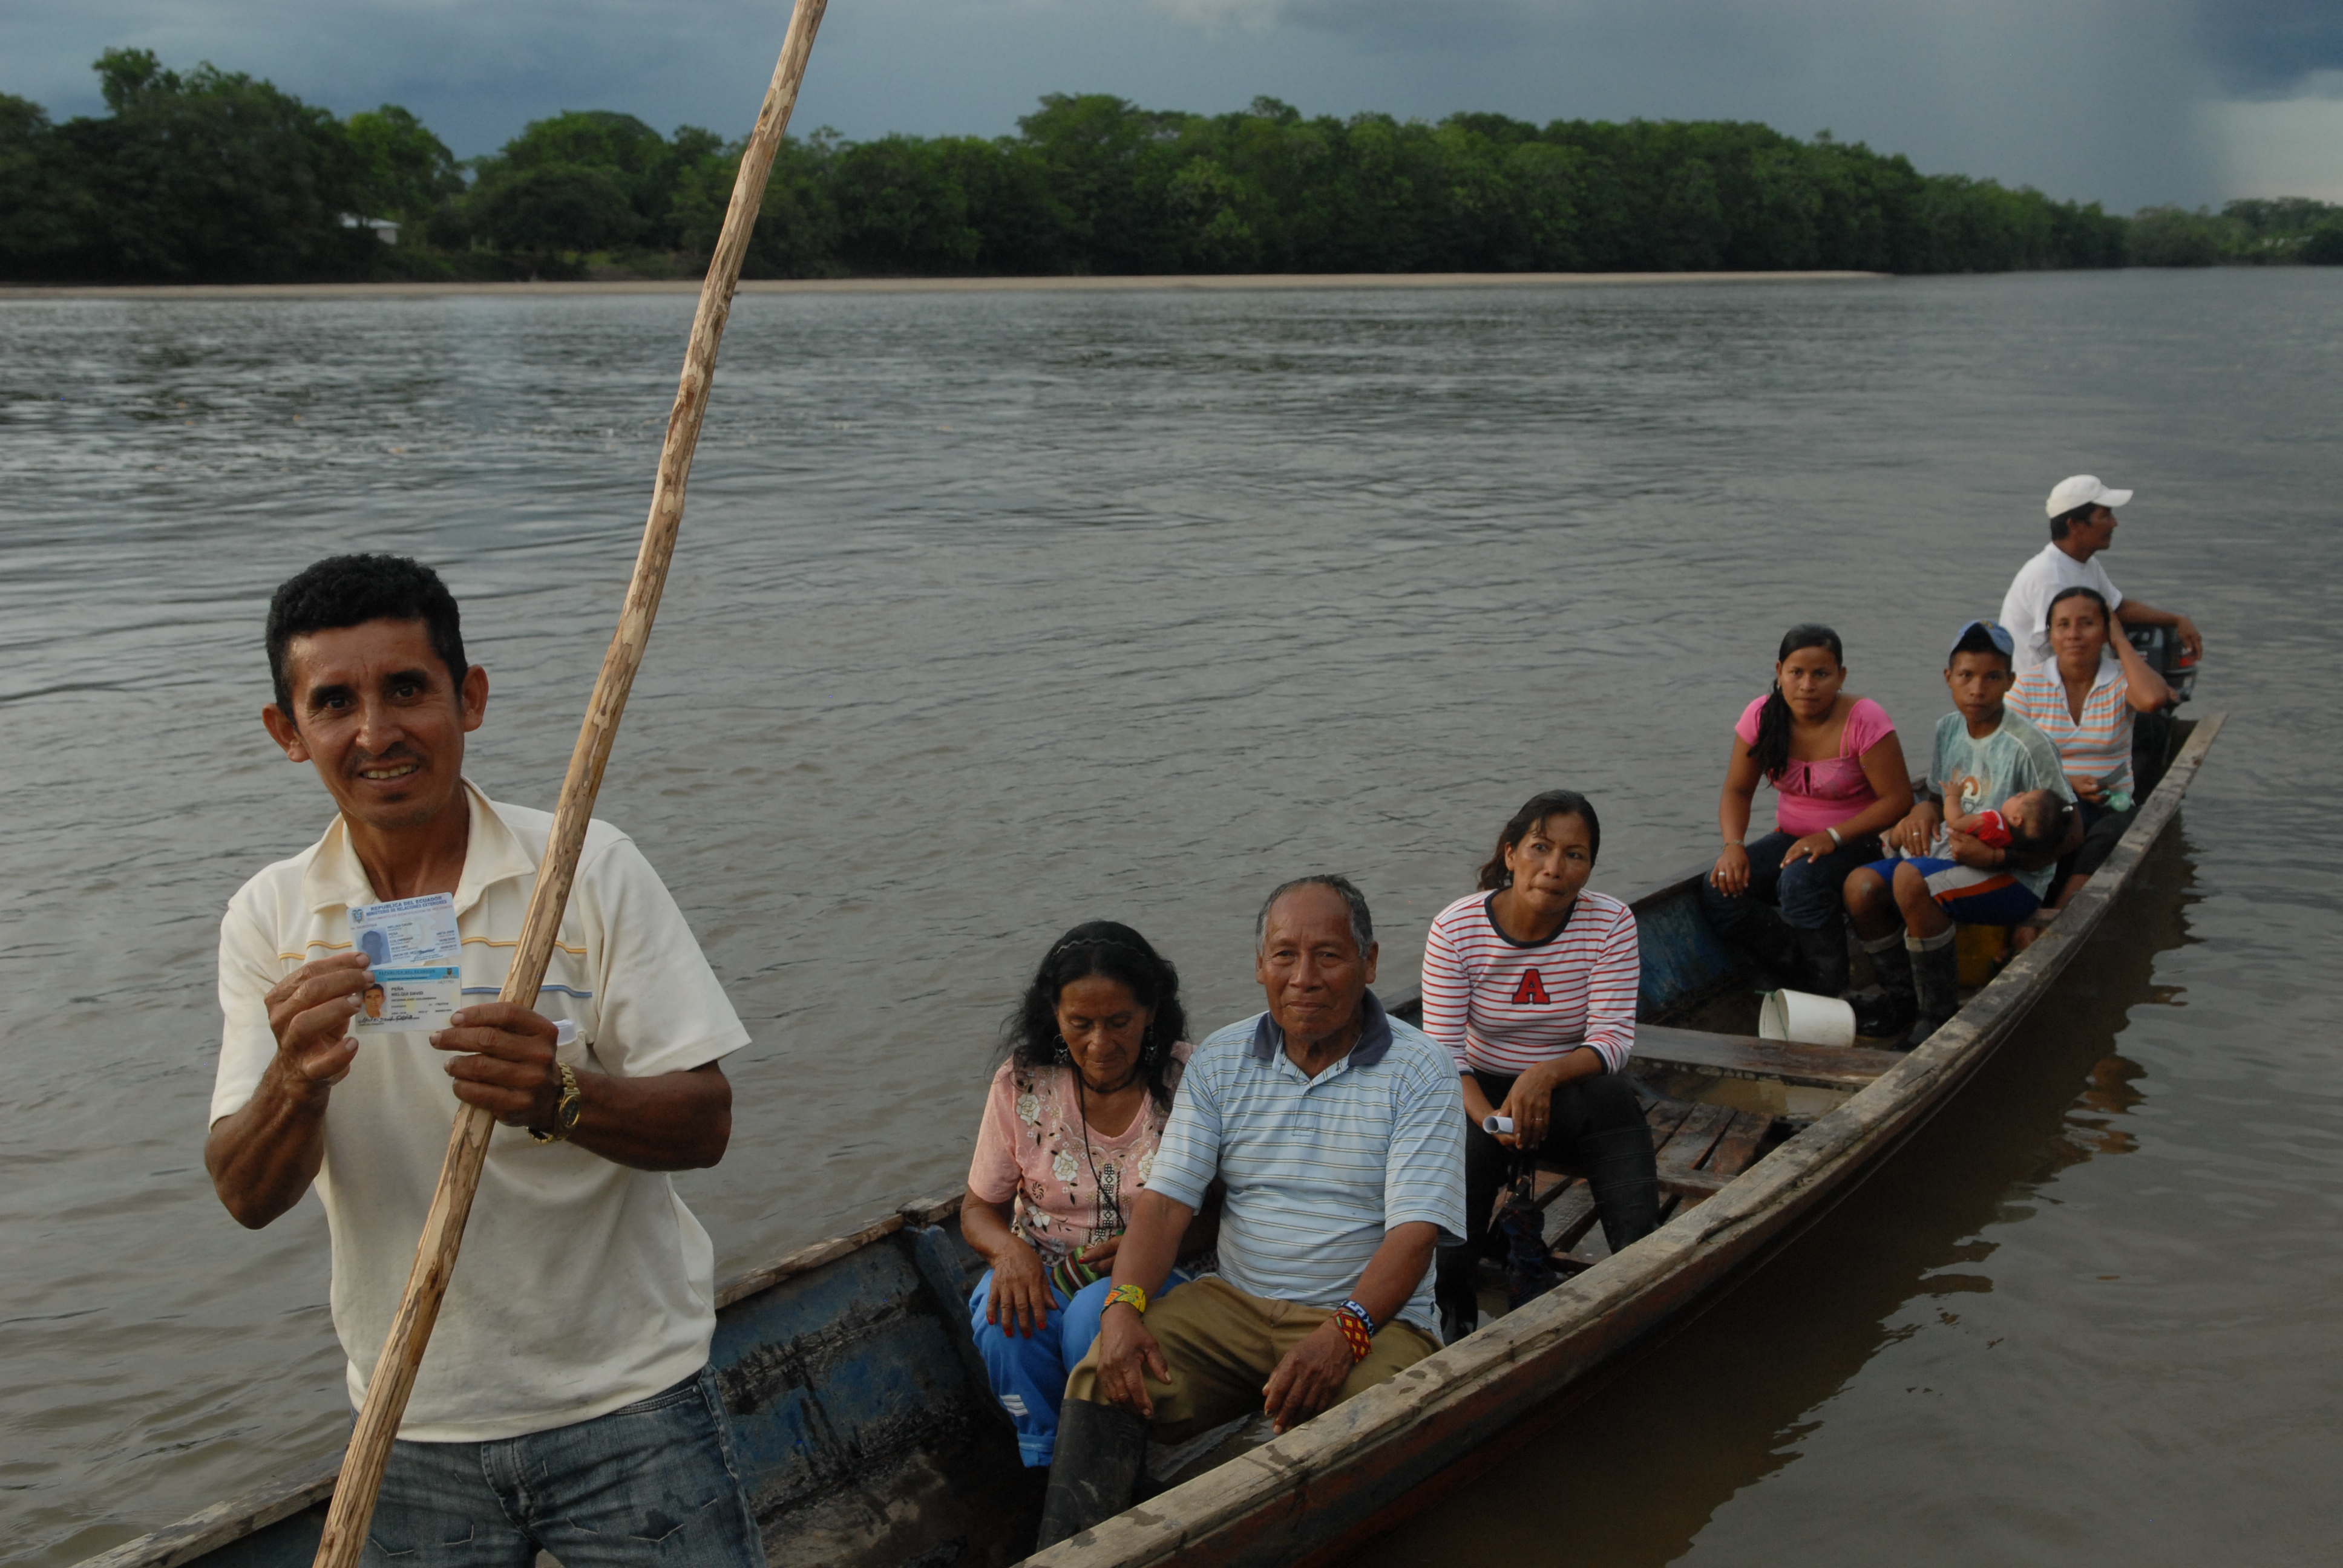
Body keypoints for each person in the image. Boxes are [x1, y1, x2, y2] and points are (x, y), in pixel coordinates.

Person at [205, 555, 764, 1567]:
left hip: (627, 1401)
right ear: (289, 733)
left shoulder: (587, 867)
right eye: (334, 702)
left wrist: (560, 1096)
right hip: (409, 1417)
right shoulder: (273, 920)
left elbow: (707, 1122)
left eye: (407, 689)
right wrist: (294, 1081)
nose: (376, 732)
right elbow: (246, 1195)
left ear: (469, 699)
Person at [1033, 876, 1465, 1548]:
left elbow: (1414, 1235)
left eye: (1328, 955)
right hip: (1232, 1307)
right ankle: (1068, 1551)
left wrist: (1341, 1336)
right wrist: (1121, 1309)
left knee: (1376, 1418)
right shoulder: (1223, 1063)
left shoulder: (1420, 1070)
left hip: (1365, 1321)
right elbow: (1166, 1205)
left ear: (1369, 962)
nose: (1304, 978)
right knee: (1105, 1371)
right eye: (1284, 956)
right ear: (1260, 967)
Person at [962, 921, 1213, 1470]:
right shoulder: (1021, 1084)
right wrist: (1011, 1253)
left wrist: (1137, 1246)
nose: (1100, 1044)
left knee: (1090, 1322)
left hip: (1161, 1269)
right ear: (1055, 1017)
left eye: (1120, 1022)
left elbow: (1216, 1213)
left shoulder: (1191, 1080)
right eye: (1081, 1024)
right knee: (1004, 1319)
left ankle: (1111, 1453)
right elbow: (980, 1208)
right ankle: (1052, 1460)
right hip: (1047, 1265)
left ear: (1150, 1013)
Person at [1421, 791, 1659, 1347]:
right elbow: (1444, 1058)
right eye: (1540, 848)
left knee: (1611, 1099)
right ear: (1510, 854)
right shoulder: (1456, 929)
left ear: (1590, 868)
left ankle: (1642, 1272)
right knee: (1463, 1151)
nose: (1555, 869)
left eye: (1575, 856)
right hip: (1477, 1092)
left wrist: (1543, 1076)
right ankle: (1446, 1316)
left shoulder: (1611, 923)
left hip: (1571, 1093)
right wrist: (1488, 1122)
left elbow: (1613, 1041)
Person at [1842, 620, 2082, 1048]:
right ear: (1948, 678)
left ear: (2010, 681)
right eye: (1967, 676)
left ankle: (1936, 1014)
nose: (1978, 689)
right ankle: (1902, 1000)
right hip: (1953, 860)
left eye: (1992, 677)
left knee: (1909, 879)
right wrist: (1920, 810)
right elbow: (1936, 797)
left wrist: (1998, 859)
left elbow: (2072, 831)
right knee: (1859, 887)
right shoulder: (1947, 730)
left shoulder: (2029, 744)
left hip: (2014, 879)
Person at [1700, 626, 1913, 996]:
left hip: (1862, 842)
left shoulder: (1864, 719)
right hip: (1793, 840)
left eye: (1821, 674)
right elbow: (1737, 791)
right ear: (1780, 671)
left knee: (1799, 881)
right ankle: (1798, 971)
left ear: (1841, 676)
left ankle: (1831, 990)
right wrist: (1732, 845)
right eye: (1796, 673)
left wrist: (1832, 836)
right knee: (1720, 888)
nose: (1807, 685)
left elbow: (1898, 801)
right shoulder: (1761, 716)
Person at [2005, 584, 2176, 916]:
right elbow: (2009, 756)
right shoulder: (2027, 685)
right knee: (2058, 822)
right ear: (2051, 635)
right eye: (2063, 625)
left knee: (2112, 832)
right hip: (2049, 801)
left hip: (2113, 801)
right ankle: (2027, 911)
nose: (2074, 635)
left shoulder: (2119, 680)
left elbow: (2154, 699)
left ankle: (2062, 911)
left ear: (2104, 631)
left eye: (2087, 623)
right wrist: (2067, 781)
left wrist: (2122, 642)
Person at [1999, 474, 2203, 674]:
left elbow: (2118, 607)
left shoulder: (2086, 564)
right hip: (2040, 695)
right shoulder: (2049, 577)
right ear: (2075, 525)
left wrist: (2176, 620)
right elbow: (2061, 647)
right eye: (2105, 516)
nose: (2114, 523)